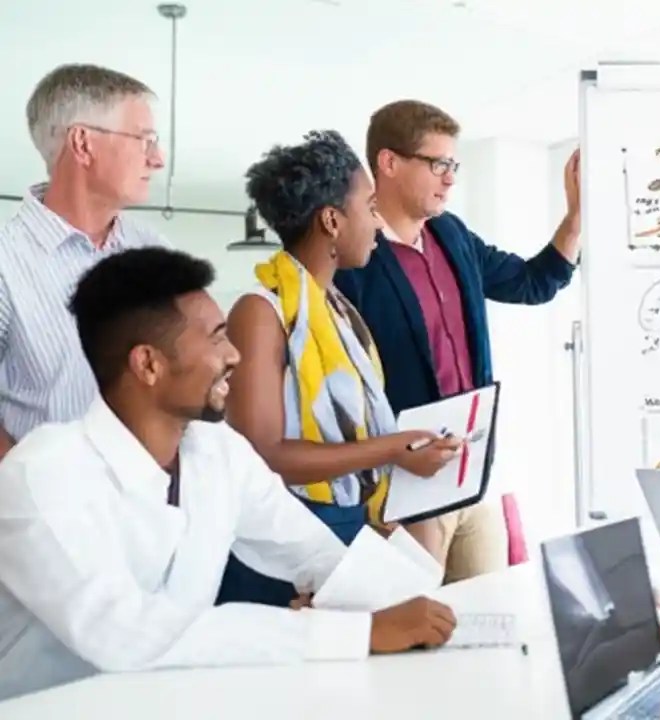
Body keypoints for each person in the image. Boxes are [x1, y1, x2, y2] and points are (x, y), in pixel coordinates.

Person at [0, 247, 458, 701]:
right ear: (148, 364)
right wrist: (353, 633)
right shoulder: (42, 475)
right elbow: (126, 634)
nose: (236, 355)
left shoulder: (216, 452)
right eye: (217, 337)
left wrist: (419, 604)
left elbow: (312, 550)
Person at [333, 100, 581, 581]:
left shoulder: (452, 234)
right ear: (389, 163)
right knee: (417, 638)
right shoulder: (352, 256)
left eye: (454, 165)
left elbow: (533, 282)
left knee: (489, 628)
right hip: (403, 486)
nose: (450, 178)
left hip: (473, 477)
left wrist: (575, 217)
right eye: (438, 164)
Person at [216, 130, 464, 606]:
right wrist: (390, 449)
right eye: (370, 207)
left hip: (350, 526)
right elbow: (261, 453)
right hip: (284, 545)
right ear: (331, 220)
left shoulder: (339, 311)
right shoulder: (260, 311)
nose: (377, 222)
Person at [0, 63, 169, 461]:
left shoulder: (155, 251)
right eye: (144, 140)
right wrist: (27, 493)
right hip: (46, 511)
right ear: (82, 144)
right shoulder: (6, 262)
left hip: (153, 504)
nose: (157, 159)